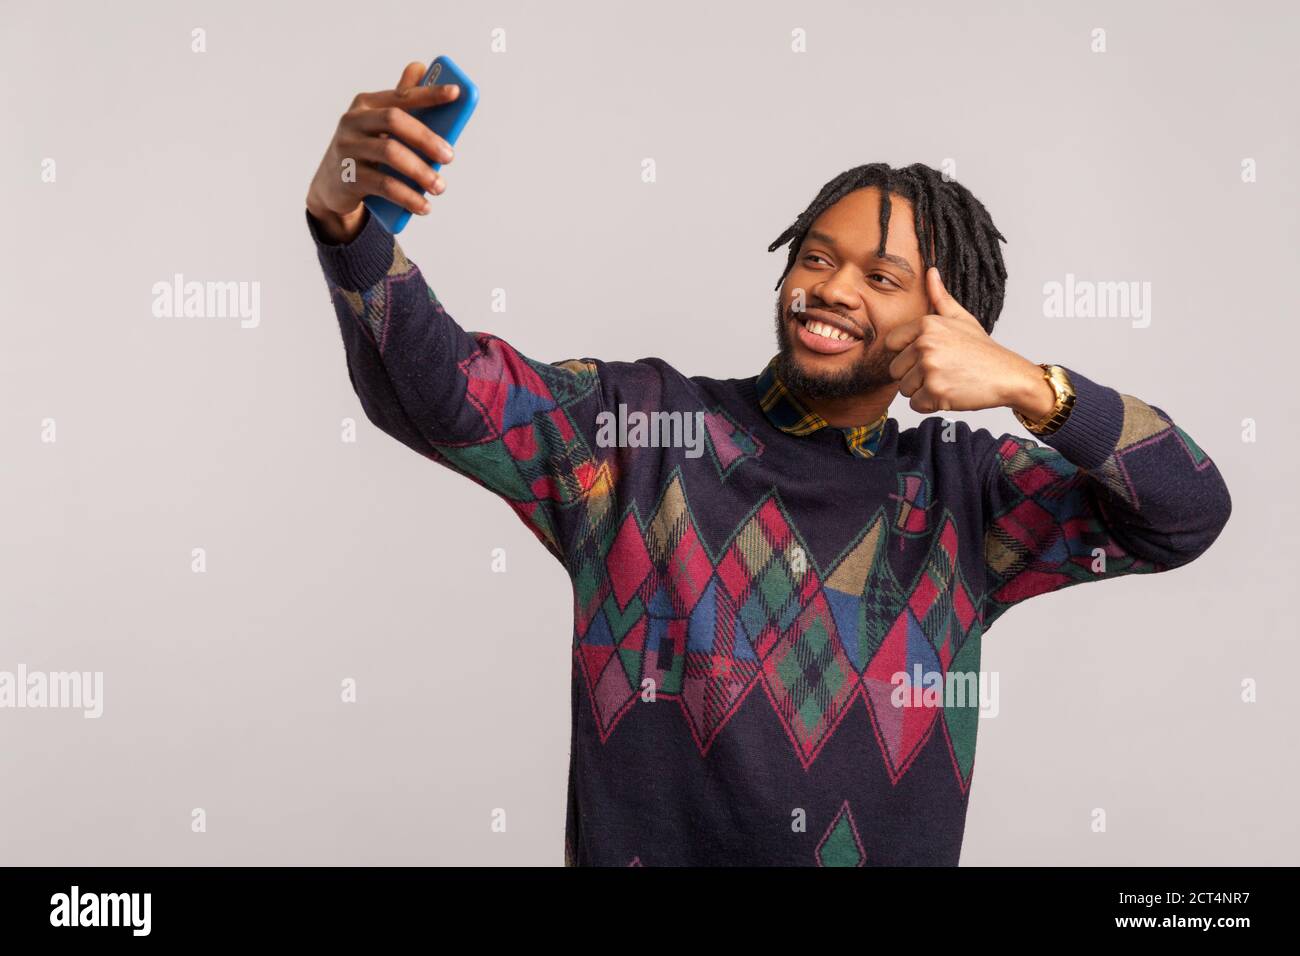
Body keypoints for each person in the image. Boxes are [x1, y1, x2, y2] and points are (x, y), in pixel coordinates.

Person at [304, 62, 1232, 866]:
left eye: (882, 277)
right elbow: (441, 392)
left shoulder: (969, 498)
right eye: (817, 257)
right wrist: (343, 215)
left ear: (953, 321)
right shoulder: (644, 433)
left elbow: (1185, 509)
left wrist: (1038, 389)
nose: (829, 288)